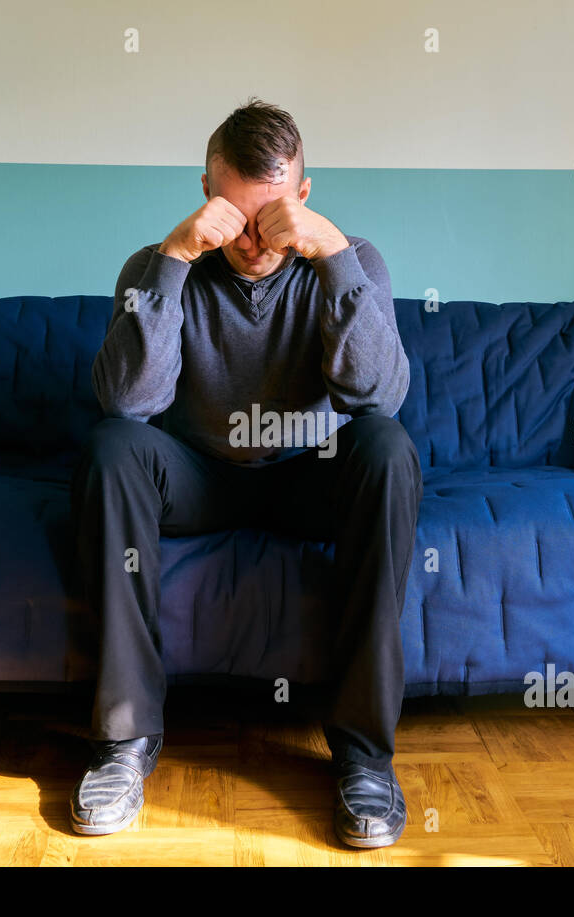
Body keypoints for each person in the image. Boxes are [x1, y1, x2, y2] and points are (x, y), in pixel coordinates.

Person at [68, 97, 421, 848]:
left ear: (303, 194)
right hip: (199, 476)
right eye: (238, 213)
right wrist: (172, 260)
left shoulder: (352, 260)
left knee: (388, 447)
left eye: (276, 214)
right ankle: (124, 742)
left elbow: (379, 396)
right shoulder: (157, 265)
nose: (256, 239)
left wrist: (332, 258)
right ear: (207, 192)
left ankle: (363, 758)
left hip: (308, 475)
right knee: (111, 445)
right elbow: (130, 400)